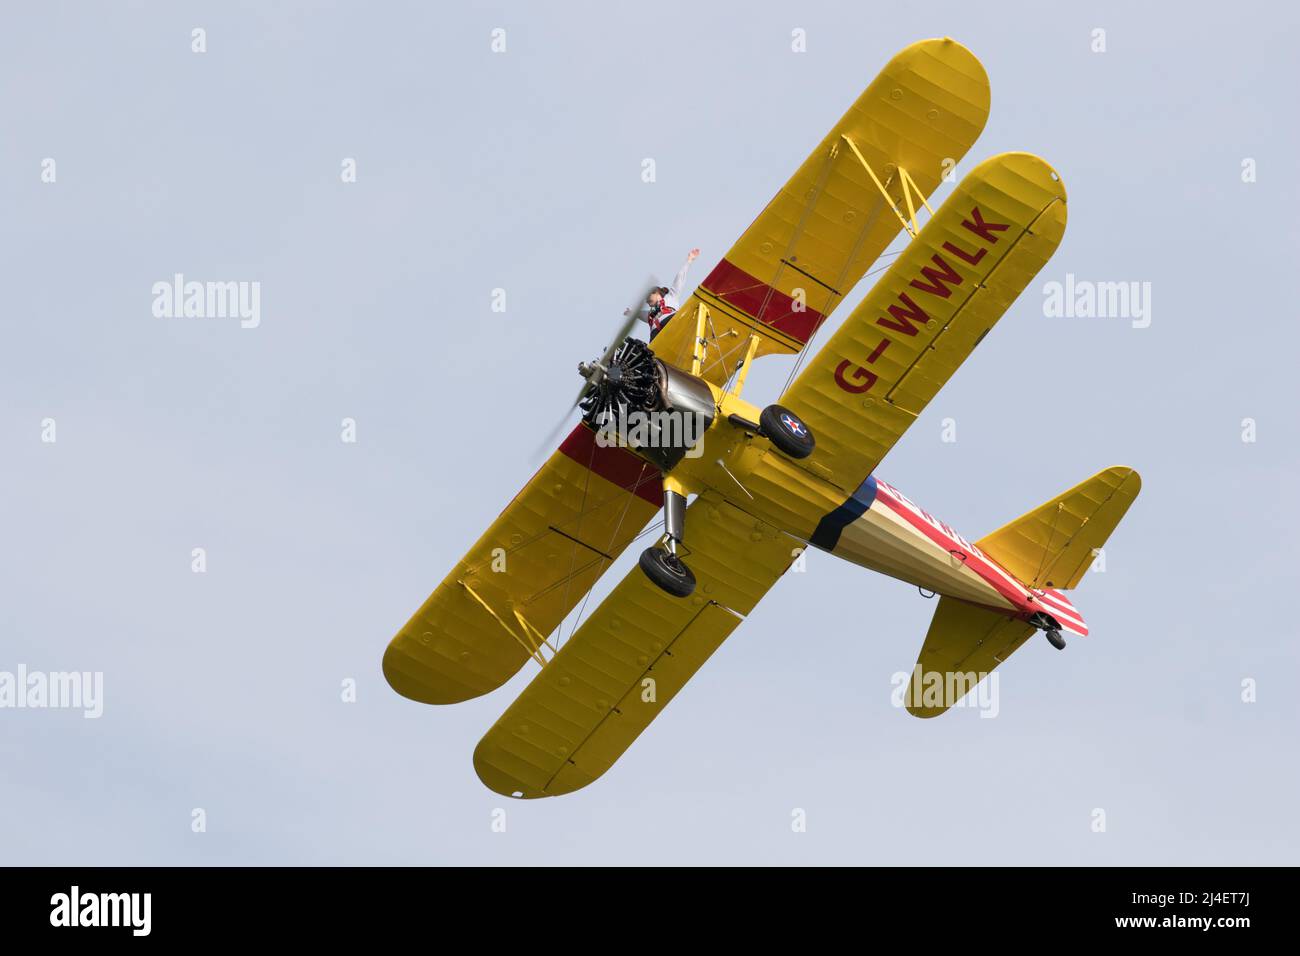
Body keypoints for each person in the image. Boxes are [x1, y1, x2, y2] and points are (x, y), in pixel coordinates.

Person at [628, 249, 699, 339]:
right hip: (657, 336)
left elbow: (680, 277)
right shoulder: (649, 314)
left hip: (672, 323)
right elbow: (638, 314)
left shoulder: (671, 297)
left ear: (657, 293)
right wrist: (630, 312)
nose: (646, 301)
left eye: (648, 297)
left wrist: (689, 259)